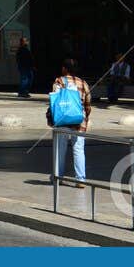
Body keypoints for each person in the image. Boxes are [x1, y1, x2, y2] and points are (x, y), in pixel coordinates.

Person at [49, 58, 92, 186]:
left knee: (60, 150)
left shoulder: (59, 81)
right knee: (79, 150)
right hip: (79, 121)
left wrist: (50, 118)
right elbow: (88, 104)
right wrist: (85, 117)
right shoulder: (83, 83)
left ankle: (58, 177)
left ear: (64, 68)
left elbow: (54, 102)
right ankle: (80, 179)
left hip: (62, 120)